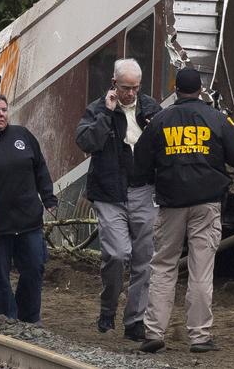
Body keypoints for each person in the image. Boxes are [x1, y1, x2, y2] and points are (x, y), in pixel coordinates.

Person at [132, 68, 234, 353]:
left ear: (175, 90)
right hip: (207, 203)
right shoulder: (216, 118)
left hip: (171, 204)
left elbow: (139, 165)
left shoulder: (160, 120)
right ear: (200, 90)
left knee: (163, 267)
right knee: (201, 269)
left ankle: (154, 332)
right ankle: (199, 336)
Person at [74, 58, 162, 340]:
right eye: (125, 88)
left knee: (144, 259)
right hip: (109, 192)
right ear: (114, 83)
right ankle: (108, 309)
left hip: (143, 190)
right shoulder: (97, 109)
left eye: (135, 87)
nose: (131, 93)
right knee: (116, 254)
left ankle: (135, 320)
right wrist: (107, 113)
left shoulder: (150, 108)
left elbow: (165, 144)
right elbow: (87, 142)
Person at [0, 92, 58, 324]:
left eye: (4, 110)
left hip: (28, 220)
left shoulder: (22, 135)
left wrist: (49, 198)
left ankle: (30, 319)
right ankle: (5, 320)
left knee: (34, 268)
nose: (1, 114)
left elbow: (40, 168)